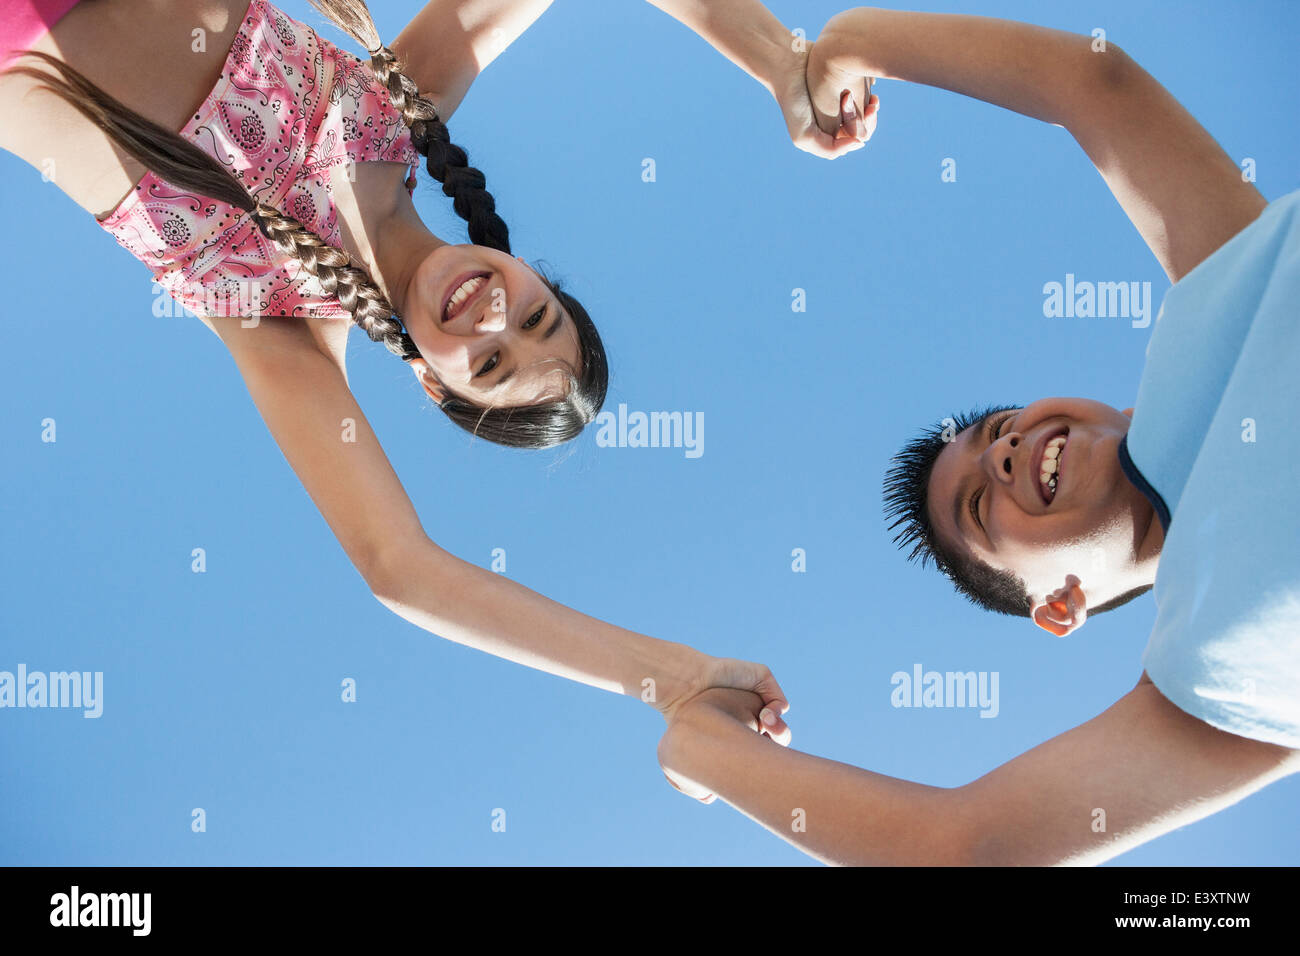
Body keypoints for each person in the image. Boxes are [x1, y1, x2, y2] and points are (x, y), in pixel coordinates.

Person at [1, 0, 845, 740]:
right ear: (534, 272)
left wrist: (667, 677)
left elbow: (400, 568)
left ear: (433, 385)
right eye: (535, 315)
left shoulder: (279, 326)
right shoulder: (400, 108)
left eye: (489, 362)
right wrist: (776, 59)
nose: (493, 318)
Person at [658, 6, 1300, 865]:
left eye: (996, 432)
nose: (1002, 454)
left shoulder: (1220, 295)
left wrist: (848, 42)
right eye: (978, 507)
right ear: (1058, 606)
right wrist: (697, 745)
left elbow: (1093, 83)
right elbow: (962, 849)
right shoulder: (1198, 693)